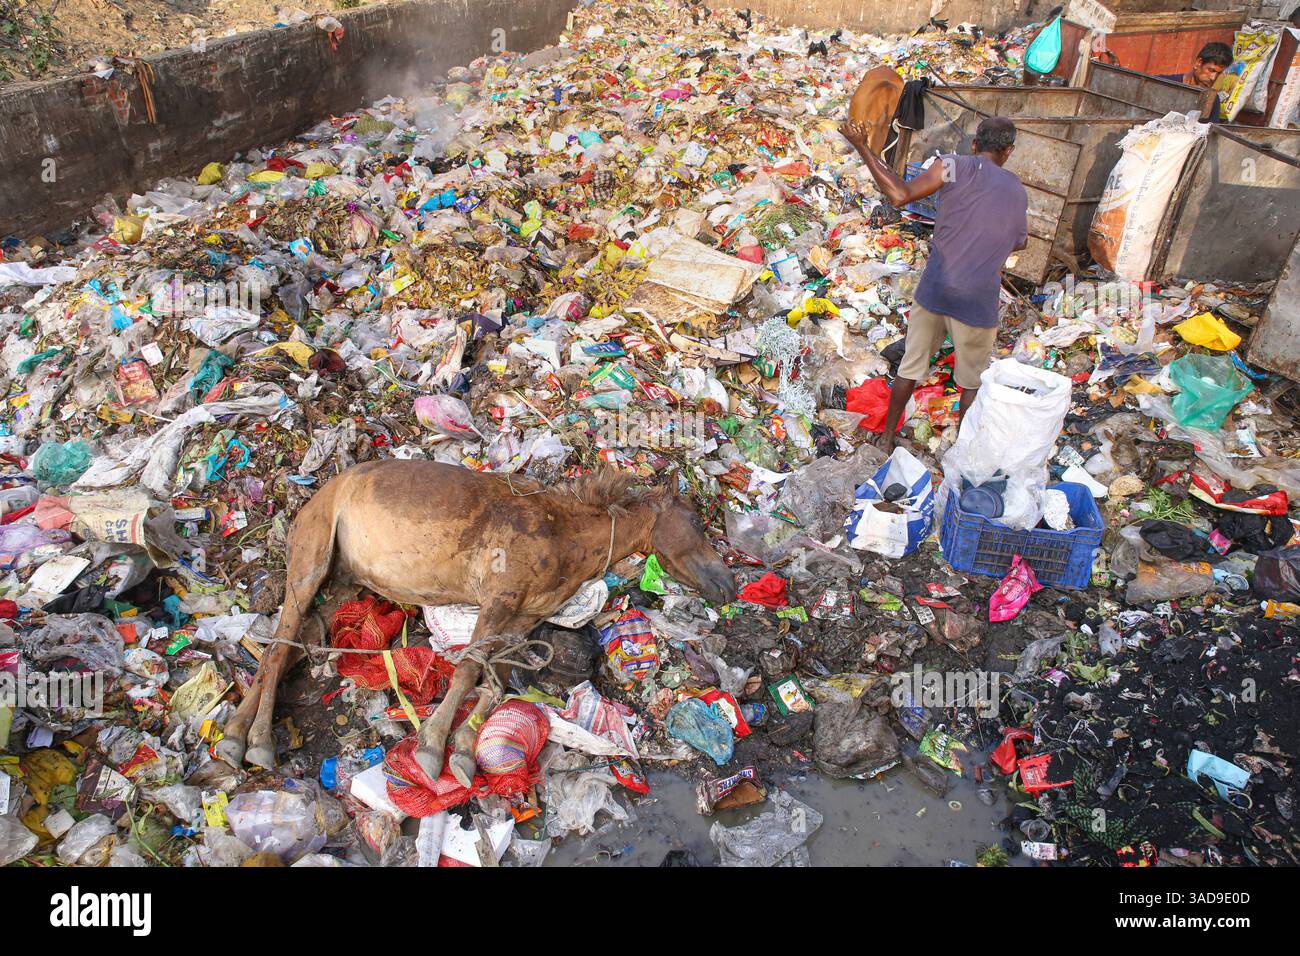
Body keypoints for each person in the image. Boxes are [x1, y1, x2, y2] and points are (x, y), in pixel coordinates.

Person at [840, 115, 1028, 453]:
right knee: (970, 384)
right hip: (976, 302)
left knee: (910, 368)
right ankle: (961, 453)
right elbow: (1019, 242)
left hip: (936, 289)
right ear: (1009, 151)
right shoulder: (1015, 188)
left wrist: (862, 147)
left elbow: (900, 195)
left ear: (974, 145)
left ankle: (885, 440)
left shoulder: (954, 166)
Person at [1154, 42, 1233, 121]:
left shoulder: (1212, 100)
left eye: (1219, 73)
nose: (1213, 77)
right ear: (1198, 63)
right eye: (1211, 70)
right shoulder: (1163, 84)